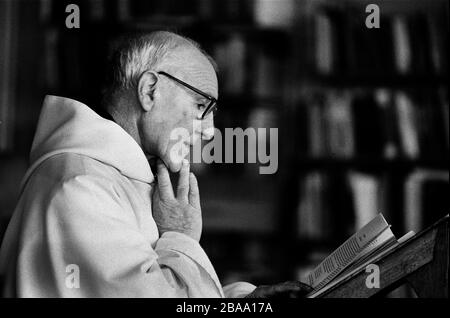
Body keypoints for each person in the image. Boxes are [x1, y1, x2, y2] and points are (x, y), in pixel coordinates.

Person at [0, 31, 311, 297]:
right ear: (150, 90)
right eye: (201, 105)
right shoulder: (81, 187)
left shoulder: (107, 175)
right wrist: (181, 238)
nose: (209, 130)